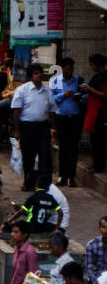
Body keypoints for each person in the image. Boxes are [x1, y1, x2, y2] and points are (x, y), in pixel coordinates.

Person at [12, 64, 54, 191]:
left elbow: (52, 110)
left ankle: (42, 184)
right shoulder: (22, 90)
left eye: (40, 73)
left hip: (43, 127)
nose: (39, 75)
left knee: (44, 155)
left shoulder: (48, 91)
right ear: (31, 76)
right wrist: (17, 129)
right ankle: (28, 183)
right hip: (27, 127)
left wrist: (52, 127)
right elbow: (16, 111)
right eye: (36, 73)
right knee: (28, 156)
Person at [52, 56, 84, 187]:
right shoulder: (55, 81)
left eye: (71, 70)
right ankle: (61, 175)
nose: (69, 73)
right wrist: (63, 95)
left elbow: (86, 95)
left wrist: (79, 97)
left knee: (73, 148)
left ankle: (72, 176)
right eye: (66, 70)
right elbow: (51, 98)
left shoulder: (79, 81)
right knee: (63, 147)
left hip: (75, 118)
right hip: (61, 118)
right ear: (62, 69)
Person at [8, 220, 39, 284]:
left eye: (16, 232)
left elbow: (34, 276)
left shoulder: (30, 252)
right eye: (12, 232)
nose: (12, 234)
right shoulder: (16, 248)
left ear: (24, 235)